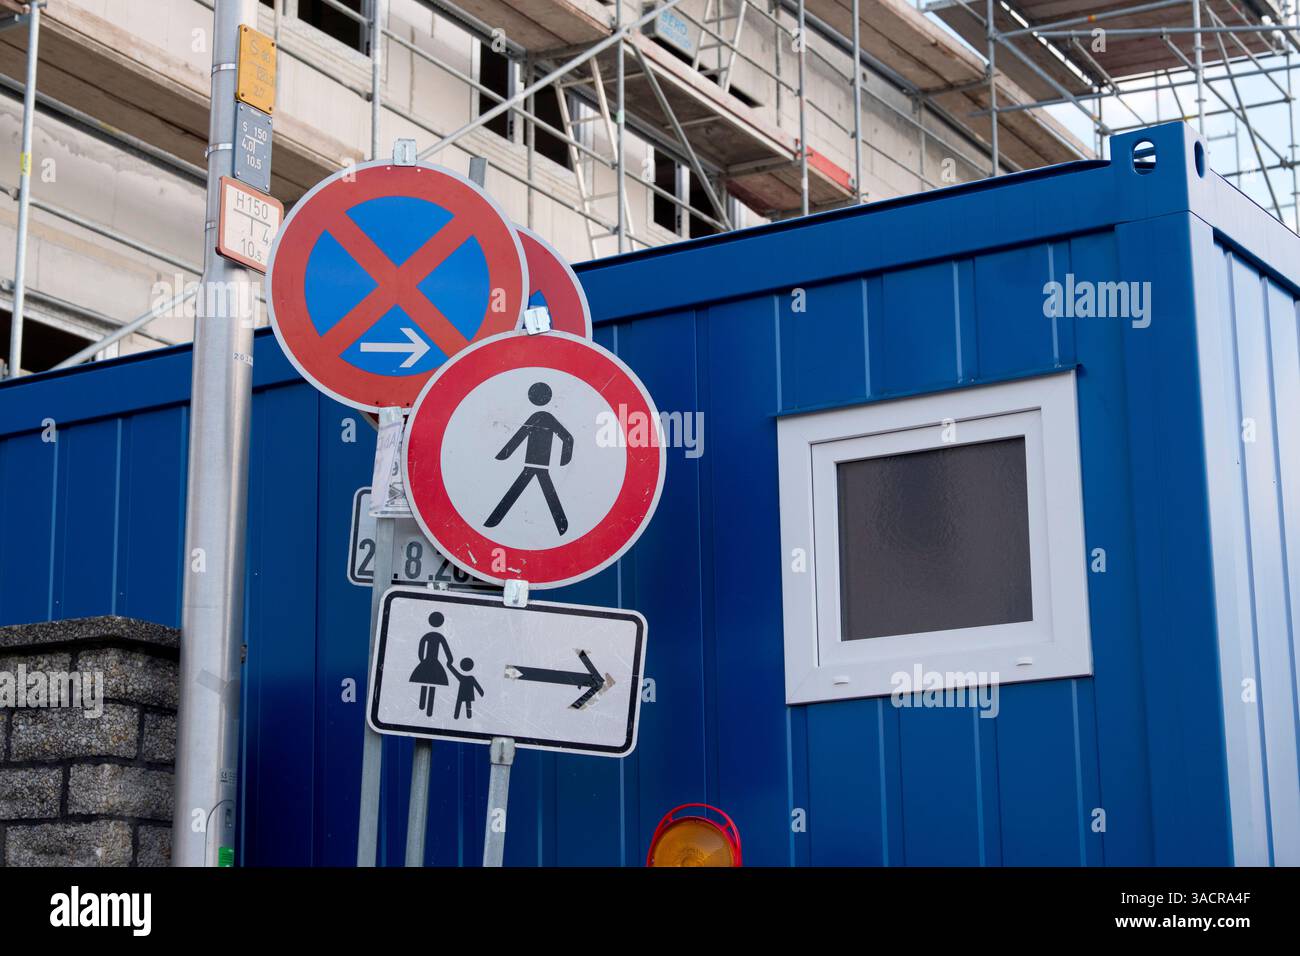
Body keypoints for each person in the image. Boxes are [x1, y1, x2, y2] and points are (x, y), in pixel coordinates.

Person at [484, 382, 574, 535]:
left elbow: (519, 436)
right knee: (540, 491)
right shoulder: (545, 417)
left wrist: (504, 454)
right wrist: (563, 459)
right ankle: (562, 525)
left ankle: (493, 520)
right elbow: (568, 438)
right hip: (537, 464)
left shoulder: (540, 417)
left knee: (519, 490)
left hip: (535, 464)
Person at [409, 612, 452, 717]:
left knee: (428, 682)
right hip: (433, 662)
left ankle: (424, 707)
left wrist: (422, 660)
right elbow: (446, 650)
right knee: (431, 683)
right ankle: (425, 709)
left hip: (427, 662)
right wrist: (450, 660)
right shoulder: (439, 636)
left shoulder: (428, 636)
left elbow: (421, 649)